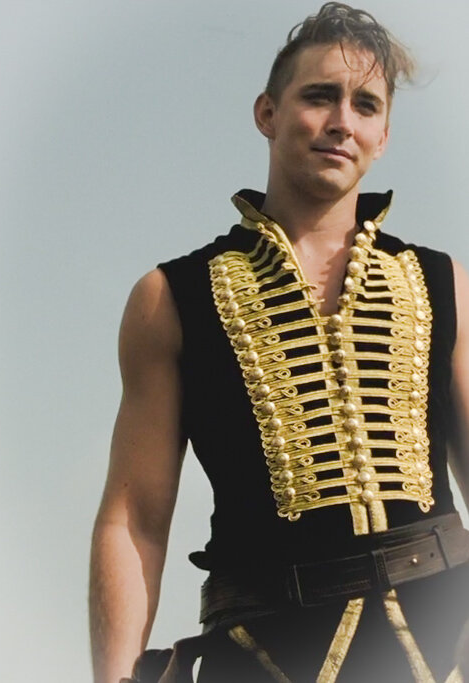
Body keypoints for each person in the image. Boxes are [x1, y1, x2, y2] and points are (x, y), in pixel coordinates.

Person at [89, 3, 469, 681]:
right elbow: (134, 516)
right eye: (319, 96)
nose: (342, 121)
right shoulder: (171, 297)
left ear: (383, 135)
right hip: (260, 652)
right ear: (267, 113)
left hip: (442, 646)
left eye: (365, 105)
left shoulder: (444, 282)